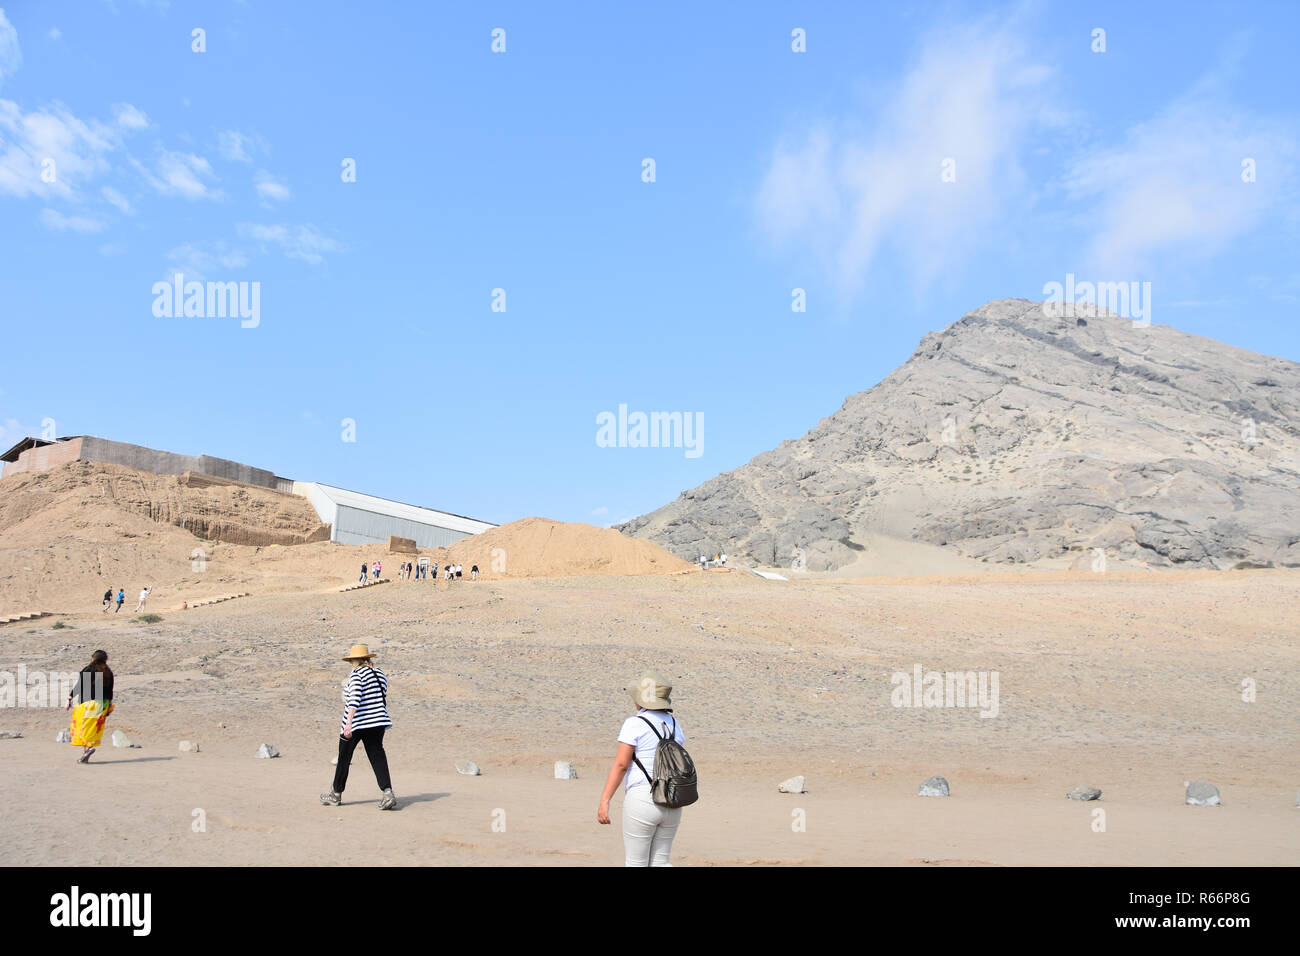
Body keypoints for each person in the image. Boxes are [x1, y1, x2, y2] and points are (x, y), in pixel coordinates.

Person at [597, 671, 687, 866]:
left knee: (636, 862)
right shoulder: (674, 724)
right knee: (661, 862)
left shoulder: (634, 724)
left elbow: (621, 765)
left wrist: (605, 800)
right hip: (672, 800)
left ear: (642, 701)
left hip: (642, 798)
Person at [320, 644, 397, 810]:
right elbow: (381, 695)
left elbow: (354, 699)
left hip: (357, 723)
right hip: (378, 721)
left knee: (344, 758)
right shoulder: (380, 673)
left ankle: (336, 794)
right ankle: (387, 792)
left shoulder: (356, 675)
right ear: (368, 658)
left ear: (354, 660)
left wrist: (348, 723)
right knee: (377, 757)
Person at [65, 649, 115, 763]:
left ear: (93, 658)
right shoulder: (108, 672)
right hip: (103, 703)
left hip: (89, 703)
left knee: (83, 727)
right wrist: (109, 705)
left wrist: (70, 698)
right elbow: (110, 690)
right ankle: (85, 754)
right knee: (91, 728)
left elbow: (80, 685)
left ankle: (88, 750)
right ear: (106, 659)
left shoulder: (89, 669)